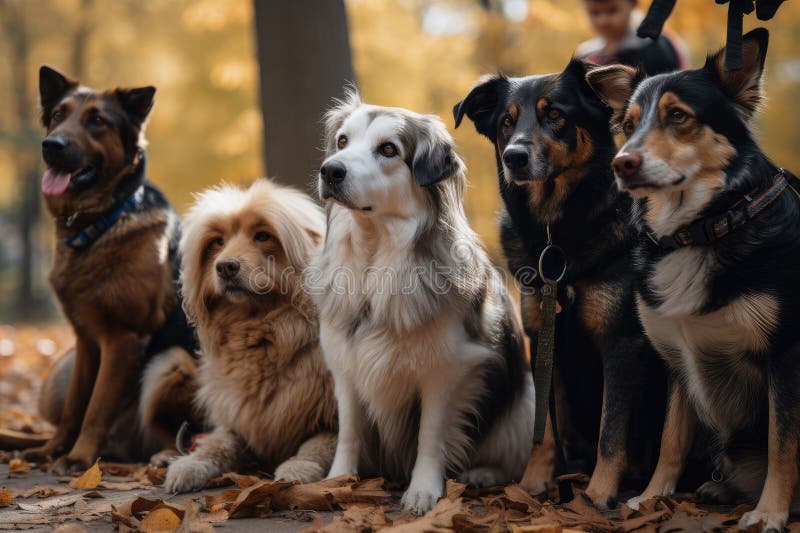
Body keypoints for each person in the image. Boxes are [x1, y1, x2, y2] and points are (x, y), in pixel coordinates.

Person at [576, 0, 688, 75]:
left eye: (612, 11)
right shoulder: (585, 54)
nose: (603, 20)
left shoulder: (656, 47)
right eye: (595, 13)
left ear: (633, 4)